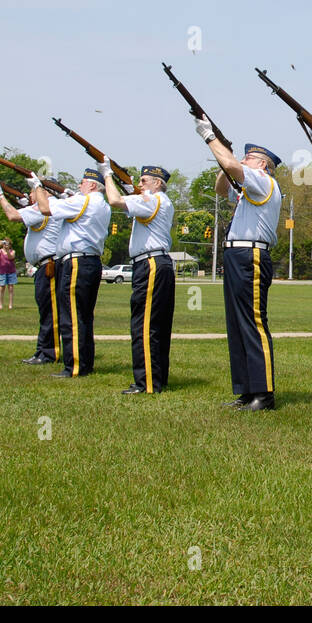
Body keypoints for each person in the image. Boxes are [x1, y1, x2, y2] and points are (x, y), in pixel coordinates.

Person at [195, 114, 283, 411]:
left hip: (251, 255)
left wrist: (211, 138)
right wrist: (226, 158)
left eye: (250, 157)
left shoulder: (263, 181)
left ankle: (264, 392)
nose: (244, 160)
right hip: (236, 255)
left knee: (253, 322)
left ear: (263, 165)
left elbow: (232, 166)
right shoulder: (249, 186)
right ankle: (246, 390)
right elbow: (223, 185)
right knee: (237, 323)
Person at [104, 161, 177, 395]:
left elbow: (114, 200)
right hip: (157, 263)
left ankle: (146, 382)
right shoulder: (156, 201)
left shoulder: (153, 200)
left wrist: (107, 174)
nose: (139, 184)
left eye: (144, 181)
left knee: (143, 325)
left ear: (157, 184)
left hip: (150, 264)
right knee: (157, 325)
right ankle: (156, 379)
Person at [31, 169, 111, 378]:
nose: (79, 186)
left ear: (92, 185)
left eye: (82, 182)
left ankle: (74, 366)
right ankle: (84, 363)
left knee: (71, 316)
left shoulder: (83, 202)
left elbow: (45, 208)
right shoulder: (100, 204)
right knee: (83, 316)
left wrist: (37, 185)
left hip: (76, 262)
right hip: (90, 262)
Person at [0, 186, 64, 365]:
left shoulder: (46, 206)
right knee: (45, 311)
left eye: (33, 191)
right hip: (44, 266)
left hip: (49, 265)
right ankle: (42, 350)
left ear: (45, 192)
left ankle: (48, 353)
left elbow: (13, 216)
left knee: (49, 312)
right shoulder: (46, 206)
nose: (30, 195)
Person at [0, 239, 17, 310]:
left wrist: (7, 250)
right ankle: (1, 305)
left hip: (11, 272)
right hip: (2, 272)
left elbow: (10, 257)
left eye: (7, 244)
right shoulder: (0, 251)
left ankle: (10, 304)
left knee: (10, 288)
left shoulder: (12, 251)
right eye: (4, 244)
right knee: (2, 288)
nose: (6, 245)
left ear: (10, 245)